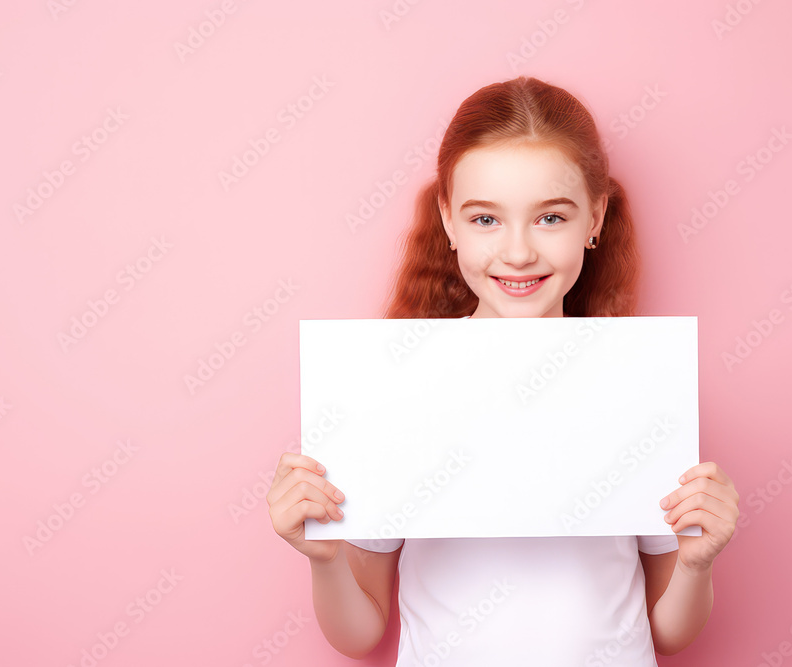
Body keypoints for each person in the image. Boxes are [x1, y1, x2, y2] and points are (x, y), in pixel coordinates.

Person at [267, 76, 739, 665]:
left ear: (595, 218)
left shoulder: (638, 383)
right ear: (448, 219)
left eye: (551, 218)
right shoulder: (397, 388)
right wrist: (324, 556)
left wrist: (697, 564)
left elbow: (669, 634)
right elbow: (358, 635)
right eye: (486, 219)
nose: (518, 253)